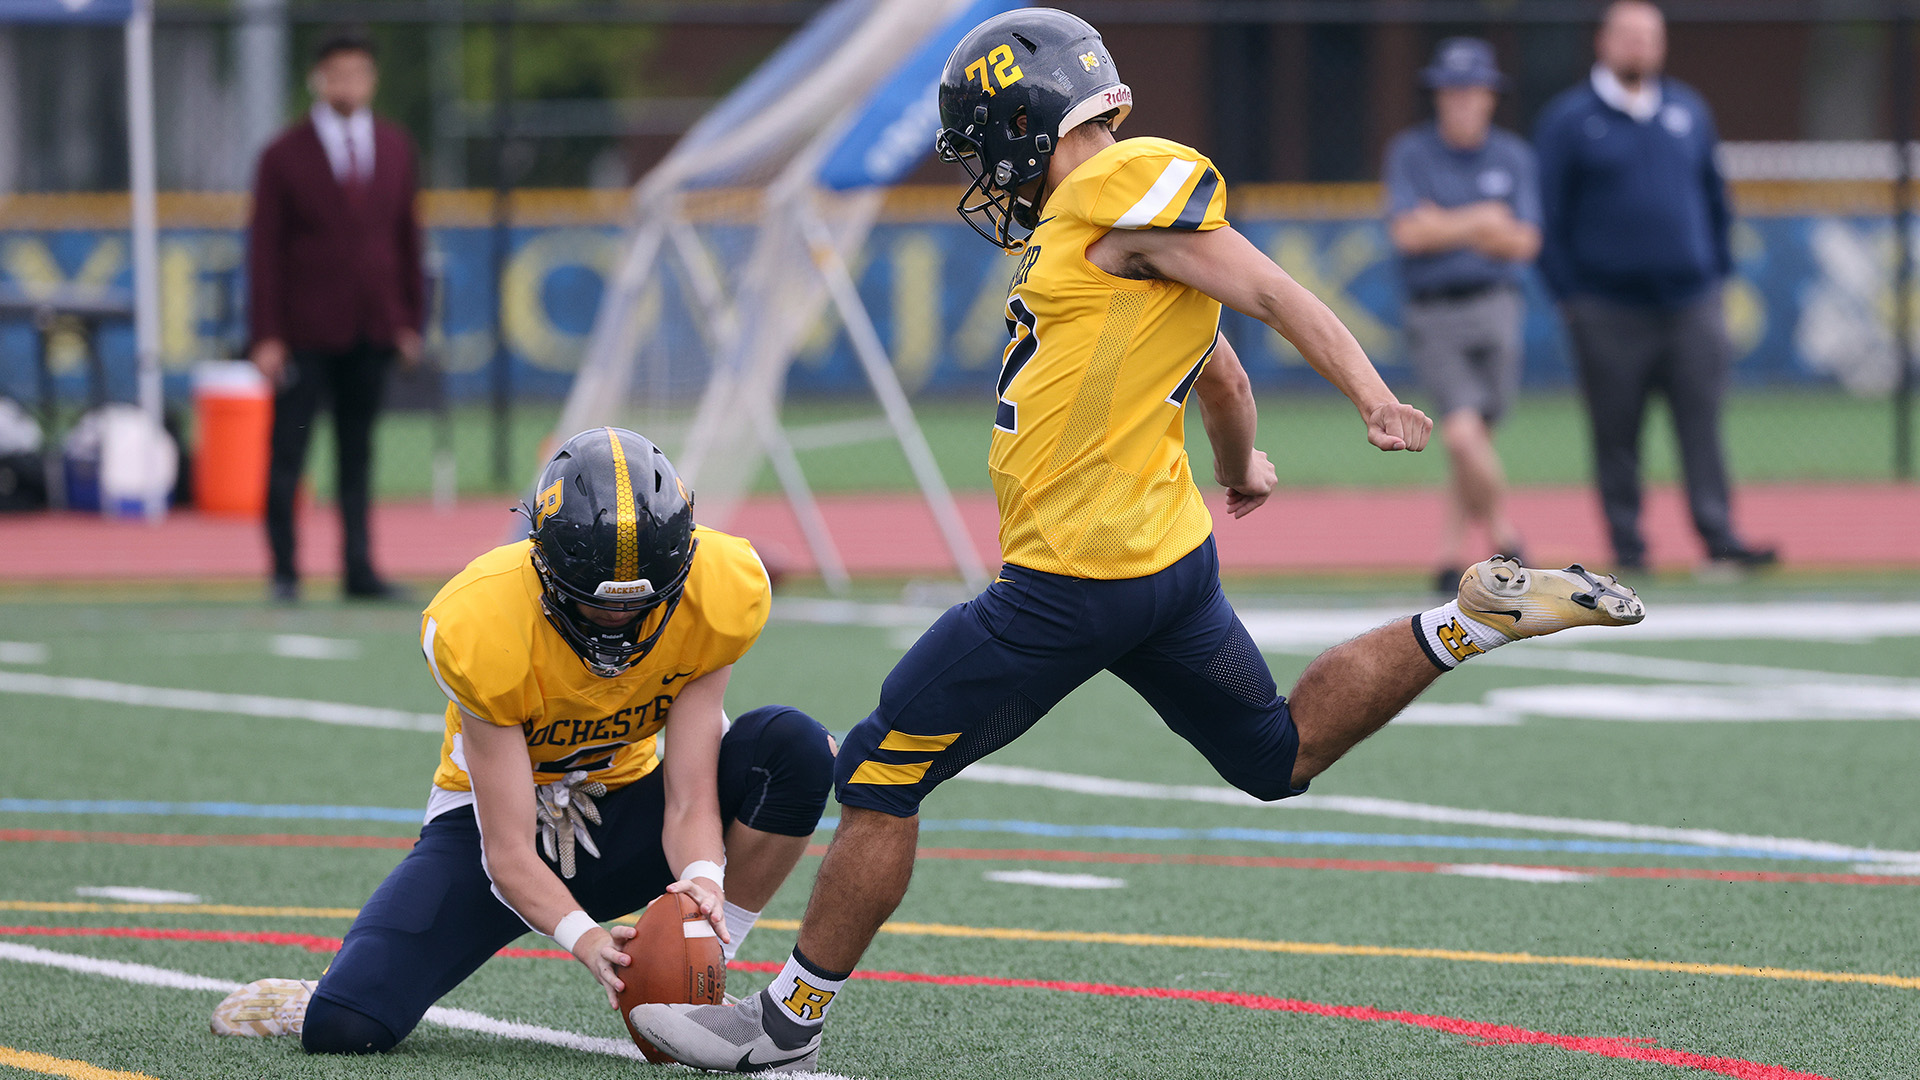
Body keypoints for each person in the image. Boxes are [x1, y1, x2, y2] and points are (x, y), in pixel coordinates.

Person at [631, 10, 1646, 1073]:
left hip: (1068, 583)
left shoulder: (1119, 189)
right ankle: (1467, 619)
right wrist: (1240, 463)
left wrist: (1372, 397)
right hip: (1165, 566)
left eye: (989, 143)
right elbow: (1220, 366)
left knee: (878, 775)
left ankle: (784, 1027)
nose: (986, 172)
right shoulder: (1103, 234)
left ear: (1031, 125)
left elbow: (1268, 290)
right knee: (1275, 756)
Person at [208, 428, 837, 1055]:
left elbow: (689, 798)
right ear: (544, 565)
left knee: (794, 749)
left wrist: (703, 883)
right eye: (595, 605)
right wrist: (586, 939)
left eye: (641, 606)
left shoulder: (718, 587)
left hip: (631, 809)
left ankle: (703, 974)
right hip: (496, 831)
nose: (619, 622)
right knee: (344, 1028)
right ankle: (312, 997)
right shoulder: (483, 620)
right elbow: (507, 851)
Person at [1535, 0, 1775, 572]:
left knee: (1703, 425)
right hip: (1607, 308)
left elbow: (1716, 200)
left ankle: (1719, 537)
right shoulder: (1570, 120)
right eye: (1629, 36)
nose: (1640, 46)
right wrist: (1572, 296)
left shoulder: (1688, 110)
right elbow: (1547, 215)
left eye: (1651, 36)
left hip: (1691, 304)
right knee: (1617, 434)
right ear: (1604, 42)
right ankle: (1629, 547)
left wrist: (1714, 276)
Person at [247, 28, 424, 602]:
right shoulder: (282, 155)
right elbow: (264, 251)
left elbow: (406, 239)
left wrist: (408, 320)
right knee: (289, 452)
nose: (348, 83)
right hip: (304, 332)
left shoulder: (396, 147)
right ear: (317, 80)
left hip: (370, 328)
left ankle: (358, 567)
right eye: (337, 72)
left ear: (372, 79)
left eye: (358, 72)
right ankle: (284, 570)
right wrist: (267, 333)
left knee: (359, 454)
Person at [1383, 38, 1540, 593]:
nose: (1461, 102)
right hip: (1436, 311)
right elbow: (1408, 233)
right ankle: (1508, 538)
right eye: (1451, 91)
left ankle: (1449, 556)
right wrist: (1479, 221)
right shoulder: (1412, 152)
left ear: (1490, 97)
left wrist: (1443, 225)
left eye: (1471, 90)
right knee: (1461, 434)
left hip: (1497, 305)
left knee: (1476, 435)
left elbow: (1523, 241)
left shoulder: (1513, 156)